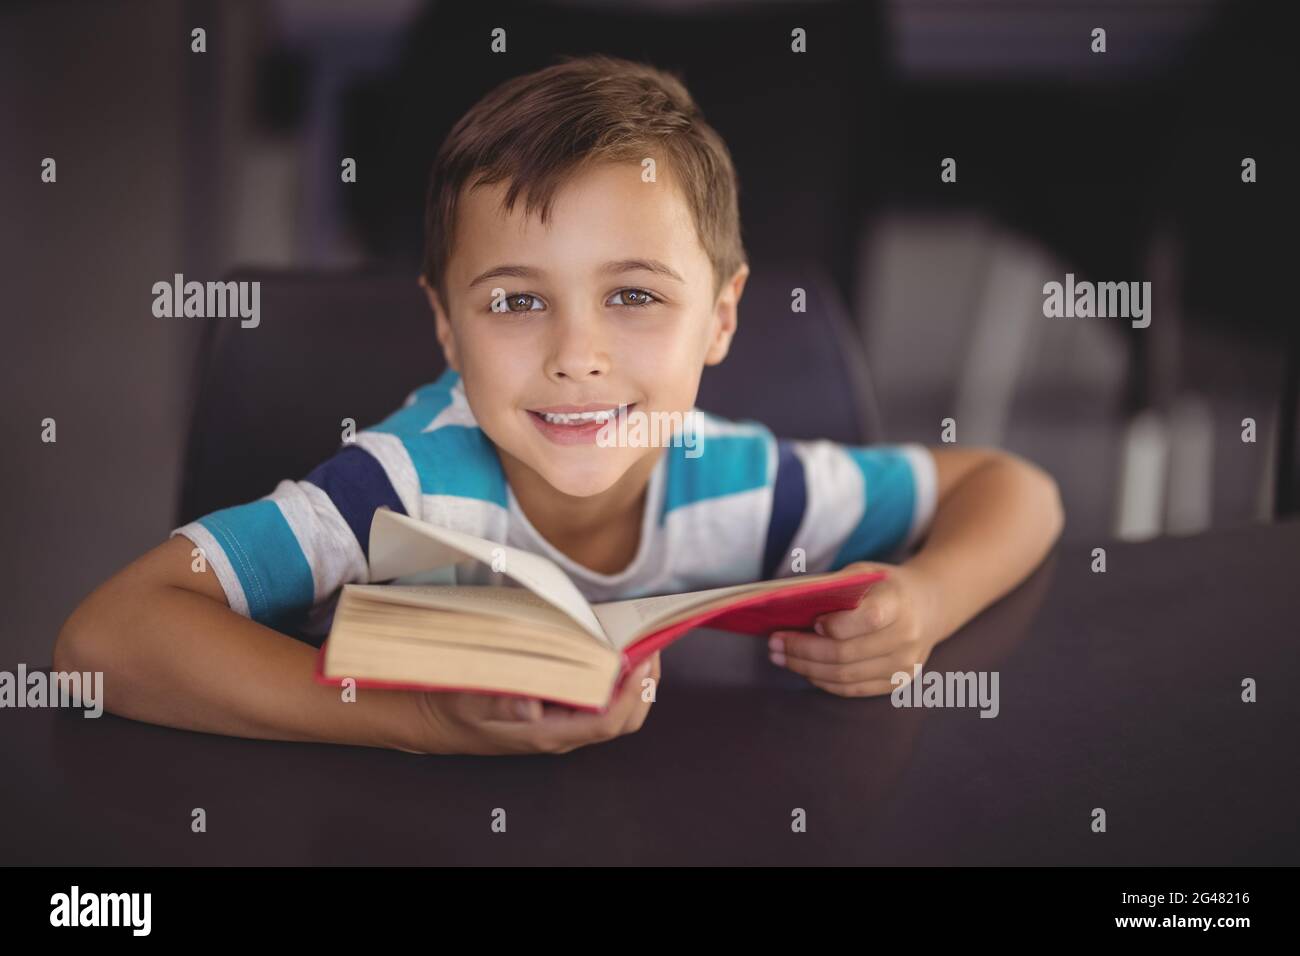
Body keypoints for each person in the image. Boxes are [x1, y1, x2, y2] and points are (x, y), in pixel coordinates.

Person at [54, 55, 1063, 756]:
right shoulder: (395, 487)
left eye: (632, 295)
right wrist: (421, 722)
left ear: (720, 318)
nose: (577, 356)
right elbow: (102, 641)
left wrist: (925, 604)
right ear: (446, 327)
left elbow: (1012, 487)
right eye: (516, 300)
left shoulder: (747, 482)